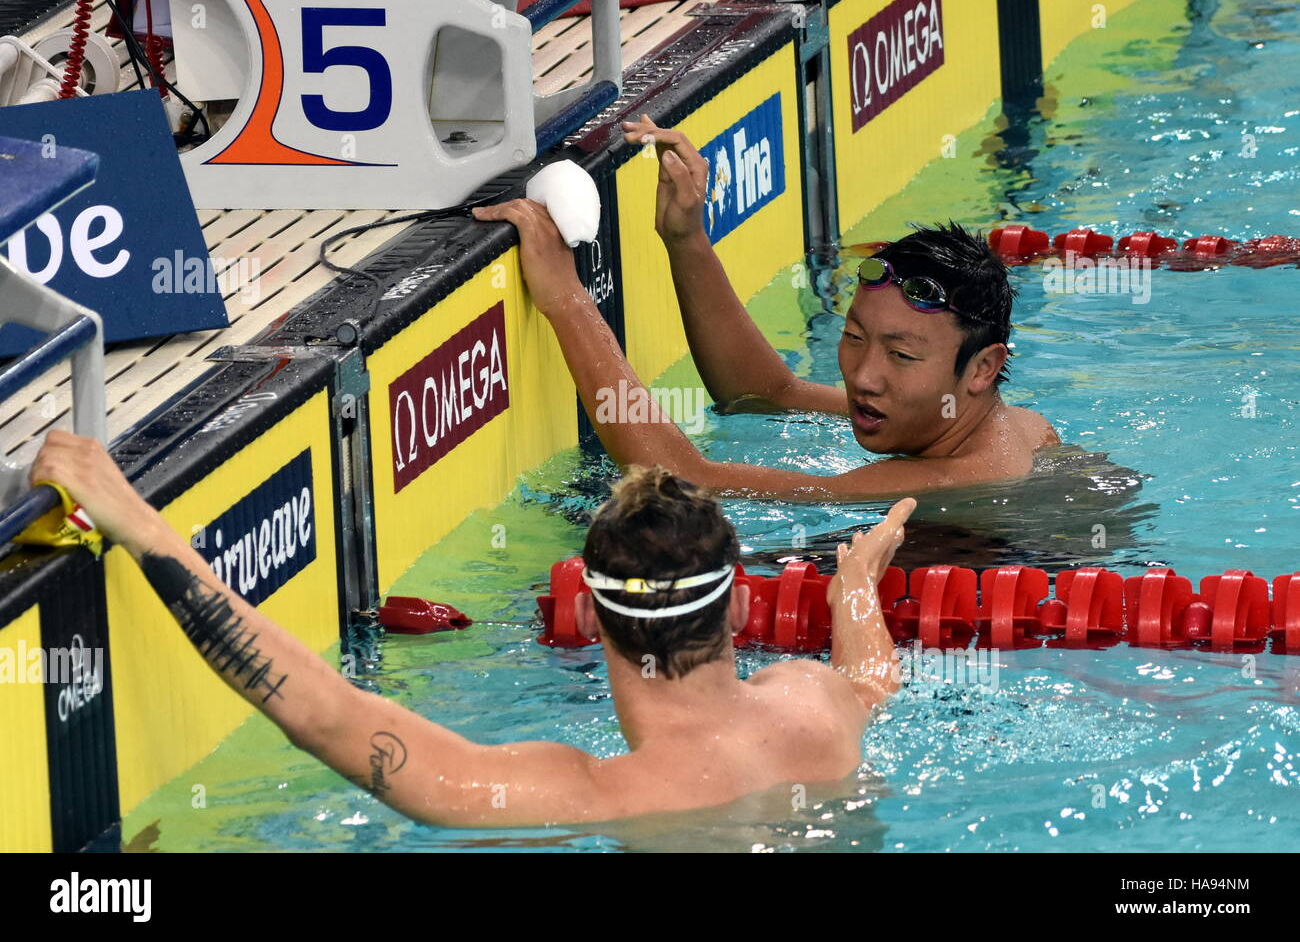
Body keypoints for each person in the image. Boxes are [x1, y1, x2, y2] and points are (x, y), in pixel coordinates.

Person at [27, 430, 914, 826]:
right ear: (744, 608)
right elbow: (873, 677)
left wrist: (142, 526)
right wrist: (855, 590)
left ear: (583, 616)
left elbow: (326, 715)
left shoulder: (589, 794)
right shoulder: (817, 704)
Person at [470, 114, 1060, 500]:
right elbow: (761, 394)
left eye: (901, 356)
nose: (863, 376)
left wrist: (568, 302)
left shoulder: (958, 478)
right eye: (854, 337)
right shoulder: (962, 420)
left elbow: (685, 483)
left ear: (982, 369)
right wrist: (686, 237)